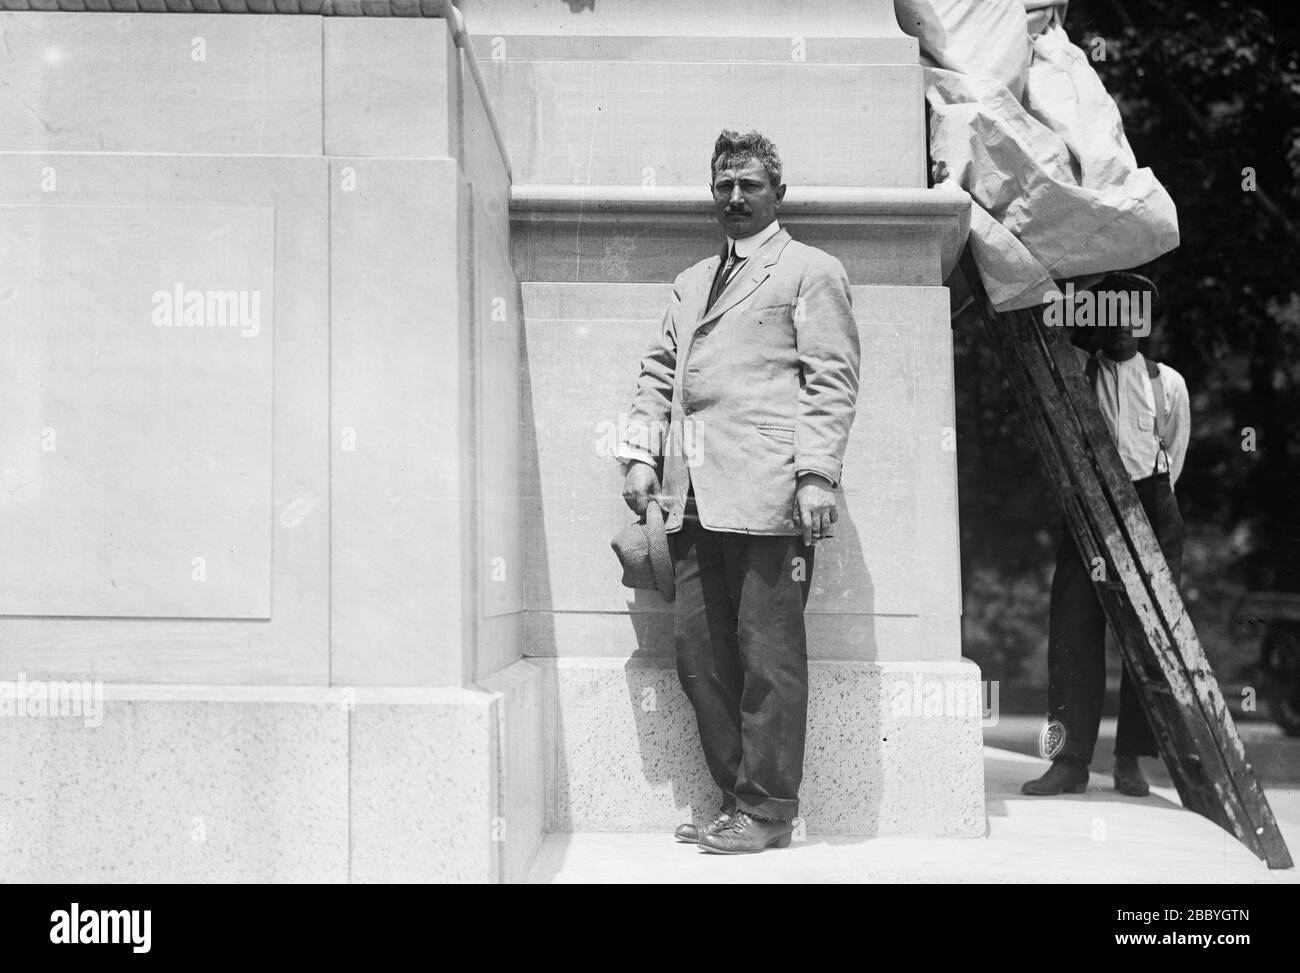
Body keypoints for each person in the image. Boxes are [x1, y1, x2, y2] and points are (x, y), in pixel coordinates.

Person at [617, 129, 861, 853]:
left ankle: (769, 810)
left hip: (769, 499)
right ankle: (735, 801)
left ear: (777, 193)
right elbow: (657, 373)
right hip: (691, 496)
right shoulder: (692, 281)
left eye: (749, 184)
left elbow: (833, 380)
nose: (734, 197)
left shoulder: (811, 272)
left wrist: (816, 474)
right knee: (699, 654)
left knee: (769, 657)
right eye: (723, 184)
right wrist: (638, 455)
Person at [1023, 272, 1190, 798]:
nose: (1123, 326)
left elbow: (1175, 457)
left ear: (1146, 323)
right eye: (1113, 314)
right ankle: (1070, 761)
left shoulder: (1169, 384)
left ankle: (1130, 759)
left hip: (1152, 507)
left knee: (1151, 634)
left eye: (1134, 315)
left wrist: (1145, 505)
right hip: (1088, 507)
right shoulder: (1077, 372)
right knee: (1072, 628)